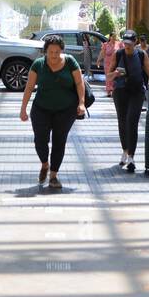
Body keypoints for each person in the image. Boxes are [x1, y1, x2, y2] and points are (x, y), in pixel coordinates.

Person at [19, 35, 86, 191]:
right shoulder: (38, 65)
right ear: (45, 52)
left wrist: (81, 103)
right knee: (40, 140)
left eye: (57, 52)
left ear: (61, 51)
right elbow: (29, 88)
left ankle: (53, 175)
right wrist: (23, 109)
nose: (54, 55)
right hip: (41, 109)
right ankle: (45, 164)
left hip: (66, 110)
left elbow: (79, 82)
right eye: (51, 52)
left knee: (59, 141)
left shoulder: (70, 62)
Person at [109, 29, 149, 172]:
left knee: (132, 121)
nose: (127, 46)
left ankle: (131, 157)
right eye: (125, 43)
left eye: (129, 43)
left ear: (135, 42)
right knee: (122, 122)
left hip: (136, 92)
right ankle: (125, 150)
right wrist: (116, 73)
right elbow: (108, 75)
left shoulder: (142, 54)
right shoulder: (118, 54)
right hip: (120, 91)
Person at [102, 32, 119, 96]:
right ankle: (108, 91)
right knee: (108, 76)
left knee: (115, 76)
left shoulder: (119, 44)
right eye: (113, 36)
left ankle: (114, 90)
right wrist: (99, 60)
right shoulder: (105, 44)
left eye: (115, 36)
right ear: (110, 37)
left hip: (116, 63)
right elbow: (102, 53)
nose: (114, 37)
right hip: (107, 63)